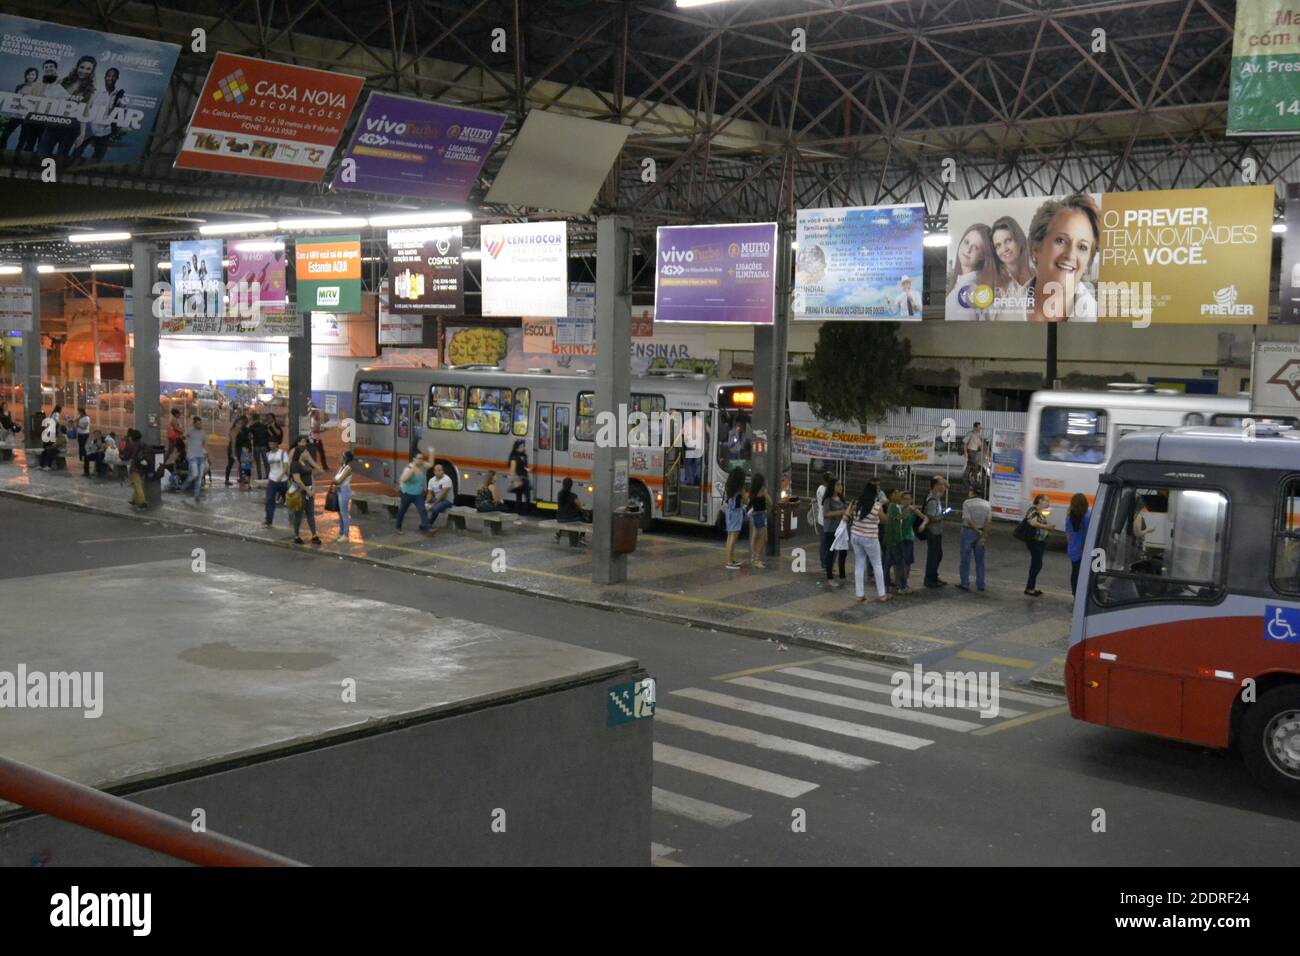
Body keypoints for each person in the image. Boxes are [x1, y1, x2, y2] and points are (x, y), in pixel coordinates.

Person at [1025, 193, 1101, 323]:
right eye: (1061, 240)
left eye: (1082, 247)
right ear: (1036, 247)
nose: (1071, 255)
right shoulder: (994, 313)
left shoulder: (1101, 320)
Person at [944, 223, 997, 321]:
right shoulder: (960, 282)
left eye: (976, 248)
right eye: (966, 242)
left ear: (982, 256)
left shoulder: (970, 290)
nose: (968, 250)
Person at [70, 68, 124, 164]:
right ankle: (68, 168)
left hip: (105, 132)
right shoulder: (96, 93)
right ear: (105, 77)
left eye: (113, 76)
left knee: (98, 157)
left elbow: (120, 117)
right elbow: (85, 110)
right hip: (89, 129)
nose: (110, 78)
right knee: (76, 153)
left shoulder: (120, 96)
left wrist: (113, 135)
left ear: (117, 78)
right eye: (109, 76)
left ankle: (83, 172)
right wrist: (82, 132)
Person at [850, 481, 891, 603]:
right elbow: (884, 520)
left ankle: (859, 595)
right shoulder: (876, 506)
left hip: (855, 536)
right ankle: (882, 594)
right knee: (877, 564)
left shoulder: (857, 503)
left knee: (859, 564)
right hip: (870, 538)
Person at [989, 215, 1034, 320]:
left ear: (1019, 240)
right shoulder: (995, 285)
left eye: (1008, 240)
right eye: (998, 246)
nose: (1004, 249)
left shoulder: (1039, 276)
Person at [288, 438, 323, 545]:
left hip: (309, 491)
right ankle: (296, 535)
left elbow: (311, 475)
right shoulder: (295, 464)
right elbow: (297, 480)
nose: (306, 453)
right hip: (300, 491)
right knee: (298, 514)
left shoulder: (305, 463)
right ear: (300, 453)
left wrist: (313, 488)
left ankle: (314, 535)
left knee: (310, 513)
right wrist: (307, 489)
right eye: (304, 452)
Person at [958, 490, 992, 592]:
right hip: (981, 531)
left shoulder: (967, 503)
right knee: (980, 561)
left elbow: (968, 519)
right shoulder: (987, 504)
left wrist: (976, 530)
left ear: (972, 492)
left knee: (965, 559)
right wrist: (984, 535)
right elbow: (988, 521)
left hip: (968, 532)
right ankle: (980, 584)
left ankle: (965, 583)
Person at [0, 67, 40, 152]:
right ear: (26, 75)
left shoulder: (38, 89)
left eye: (33, 74)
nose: (30, 76)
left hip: (27, 117)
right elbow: (14, 100)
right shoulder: (19, 86)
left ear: (36, 76)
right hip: (16, 115)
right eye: (28, 74)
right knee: (5, 134)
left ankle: (16, 157)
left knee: (22, 139)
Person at [395, 452, 432, 534]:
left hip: (417, 494)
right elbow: (403, 479)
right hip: (407, 493)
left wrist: (431, 452)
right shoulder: (409, 468)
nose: (421, 460)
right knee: (403, 510)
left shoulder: (422, 466)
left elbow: (431, 464)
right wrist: (412, 471)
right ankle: (398, 527)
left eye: (422, 458)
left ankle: (427, 528)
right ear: (414, 459)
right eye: (419, 458)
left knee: (422, 510)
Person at [1023, 494, 1053, 596]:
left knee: (1037, 564)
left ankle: (1031, 587)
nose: (1048, 503)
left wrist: (1047, 530)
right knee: (1036, 564)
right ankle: (1029, 588)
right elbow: (1033, 523)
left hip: (1040, 541)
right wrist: (1046, 526)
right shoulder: (1033, 510)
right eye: (1046, 501)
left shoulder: (1041, 512)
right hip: (1034, 541)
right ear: (1040, 501)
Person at [923, 475, 949, 587]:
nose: (943, 486)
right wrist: (942, 516)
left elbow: (948, 486)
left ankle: (933, 576)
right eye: (940, 484)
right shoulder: (932, 500)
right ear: (935, 486)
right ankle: (930, 579)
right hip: (932, 531)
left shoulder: (937, 496)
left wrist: (941, 478)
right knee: (934, 555)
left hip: (937, 531)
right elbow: (931, 518)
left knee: (938, 554)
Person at [882, 489, 908, 594]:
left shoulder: (893, 506)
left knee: (888, 563)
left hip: (890, 539)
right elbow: (898, 518)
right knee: (900, 563)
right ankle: (902, 586)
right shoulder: (893, 507)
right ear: (891, 496)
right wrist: (908, 509)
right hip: (895, 539)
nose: (898, 495)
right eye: (896, 493)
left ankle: (886, 584)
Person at [1066, 492, 1092, 595]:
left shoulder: (1069, 517)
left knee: (1075, 574)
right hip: (1086, 550)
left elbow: (1068, 534)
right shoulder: (1089, 516)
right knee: (1086, 575)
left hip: (1074, 550)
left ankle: (1075, 595)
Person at [825, 481, 849, 587]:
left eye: (841, 485)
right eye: (838, 485)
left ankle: (842, 575)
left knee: (843, 552)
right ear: (832, 487)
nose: (841, 487)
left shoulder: (842, 499)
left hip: (842, 529)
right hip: (831, 529)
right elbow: (826, 514)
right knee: (831, 553)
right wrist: (841, 512)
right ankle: (829, 577)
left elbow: (847, 510)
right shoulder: (828, 500)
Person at [722, 466, 747, 570]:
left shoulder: (729, 486)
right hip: (736, 513)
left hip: (729, 512)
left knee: (729, 536)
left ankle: (730, 559)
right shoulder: (740, 489)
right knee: (733, 537)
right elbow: (746, 499)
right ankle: (729, 561)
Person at [263, 436, 290, 527]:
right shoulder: (268, 454)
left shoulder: (282, 453)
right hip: (272, 480)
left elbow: (286, 466)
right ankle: (268, 520)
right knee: (269, 499)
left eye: (272, 443)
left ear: (276, 444)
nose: (271, 445)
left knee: (288, 500)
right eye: (269, 443)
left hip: (283, 481)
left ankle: (293, 517)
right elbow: (269, 467)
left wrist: (281, 476)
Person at [555, 477, 588, 545]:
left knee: (566, 520)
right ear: (571, 486)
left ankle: (559, 534)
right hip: (570, 519)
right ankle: (581, 537)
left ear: (563, 485)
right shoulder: (573, 496)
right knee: (584, 519)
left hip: (559, 518)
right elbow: (580, 507)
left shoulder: (559, 494)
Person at [181, 416, 207, 502]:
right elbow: (183, 437)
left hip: (201, 456)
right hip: (192, 456)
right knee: (194, 474)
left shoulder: (203, 432)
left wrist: (206, 455)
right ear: (194, 424)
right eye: (198, 423)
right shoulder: (190, 430)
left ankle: (196, 495)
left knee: (199, 477)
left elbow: (203, 444)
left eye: (201, 423)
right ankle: (183, 487)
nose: (200, 425)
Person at [748, 472, 770, 568]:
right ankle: (757, 559)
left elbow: (749, 502)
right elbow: (771, 502)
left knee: (754, 536)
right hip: (761, 515)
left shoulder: (752, 491)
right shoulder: (762, 491)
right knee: (763, 538)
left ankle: (753, 558)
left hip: (754, 514)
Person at [332, 451, 354, 543]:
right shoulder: (341, 467)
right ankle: (341, 532)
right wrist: (335, 481)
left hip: (344, 491)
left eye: (341, 456)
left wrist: (334, 481)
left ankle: (346, 534)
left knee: (344, 513)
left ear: (345, 458)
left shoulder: (347, 469)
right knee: (340, 513)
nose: (339, 458)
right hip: (338, 490)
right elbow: (335, 479)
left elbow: (339, 480)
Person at [506, 438, 531, 520]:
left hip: (525, 478)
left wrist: (528, 470)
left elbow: (524, 467)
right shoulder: (514, 458)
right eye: (521, 447)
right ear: (516, 448)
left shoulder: (524, 456)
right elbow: (512, 470)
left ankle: (524, 512)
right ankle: (518, 513)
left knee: (526, 496)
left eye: (523, 446)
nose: (523, 448)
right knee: (519, 497)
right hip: (519, 479)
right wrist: (516, 480)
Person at [123, 428, 149, 509]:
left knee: (137, 484)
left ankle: (142, 501)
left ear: (132, 437)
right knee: (137, 483)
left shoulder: (132, 445)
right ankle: (133, 499)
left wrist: (127, 442)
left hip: (134, 467)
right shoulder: (144, 444)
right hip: (142, 466)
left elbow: (126, 456)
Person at [425, 462, 455, 528]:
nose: (441, 472)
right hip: (437, 499)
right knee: (423, 506)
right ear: (434, 472)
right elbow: (429, 493)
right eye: (438, 470)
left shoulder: (447, 479)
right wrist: (426, 502)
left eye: (441, 470)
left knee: (435, 509)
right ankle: (424, 523)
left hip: (447, 500)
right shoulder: (431, 480)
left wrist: (433, 504)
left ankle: (428, 524)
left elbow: (443, 495)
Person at [225, 415, 249, 486]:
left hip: (239, 448)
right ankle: (227, 479)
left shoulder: (240, 430)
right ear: (235, 423)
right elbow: (233, 443)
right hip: (233, 448)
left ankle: (241, 478)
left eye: (241, 424)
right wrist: (233, 453)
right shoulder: (234, 431)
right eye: (238, 423)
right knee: (230, 464)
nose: (240, 425)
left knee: (241, 463)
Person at [38, 404, 61, 470]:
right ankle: (48, 465)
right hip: (52, 433)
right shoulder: (56, 414)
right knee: (49, 449)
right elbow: (56, 421)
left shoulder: (52, 414)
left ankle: (42, 464)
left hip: (48, 432)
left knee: (45, 448)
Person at [248, 413, 270, 481]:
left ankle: (259, 476)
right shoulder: (264, 426)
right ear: (259, 418)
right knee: (266, 462)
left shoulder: (251, 427)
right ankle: (267, 475)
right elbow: (268, 435)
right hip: (264, 445)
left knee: (258, 462)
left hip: (256, 445)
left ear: (253, 419)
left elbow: (249, 436)